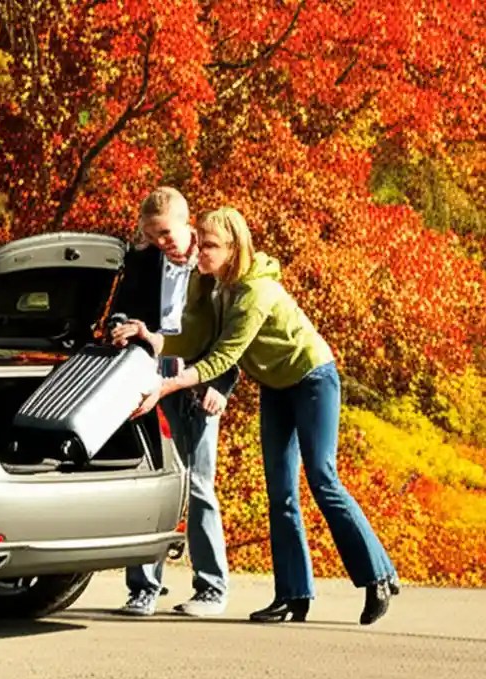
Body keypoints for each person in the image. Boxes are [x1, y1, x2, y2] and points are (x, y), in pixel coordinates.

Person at [114, 206, 400, 625]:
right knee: (280, 492)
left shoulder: (254, 291)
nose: (200, 252)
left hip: (313, 378)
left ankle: (378, 575)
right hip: (275, 386)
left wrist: (166, 386)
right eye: (201, 243)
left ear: (233, 249)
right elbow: (192, 337)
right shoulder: (211, 283)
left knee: (322, 478)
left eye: (210, 246)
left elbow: (223, 356)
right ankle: (293, 596)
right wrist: (152, 338)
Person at [113, 187, 240, 618]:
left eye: (166, 233)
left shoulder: (214, 261)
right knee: (150, 479)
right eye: (152, 235)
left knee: (199, 483)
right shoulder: (143, 261)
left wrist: (222, 384)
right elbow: (122, 307)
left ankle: (211, 588)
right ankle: (143, 589)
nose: (161, 242)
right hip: (151, 374)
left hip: (202, 378)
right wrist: (121, 327)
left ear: (188, 223)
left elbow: (234, 333)